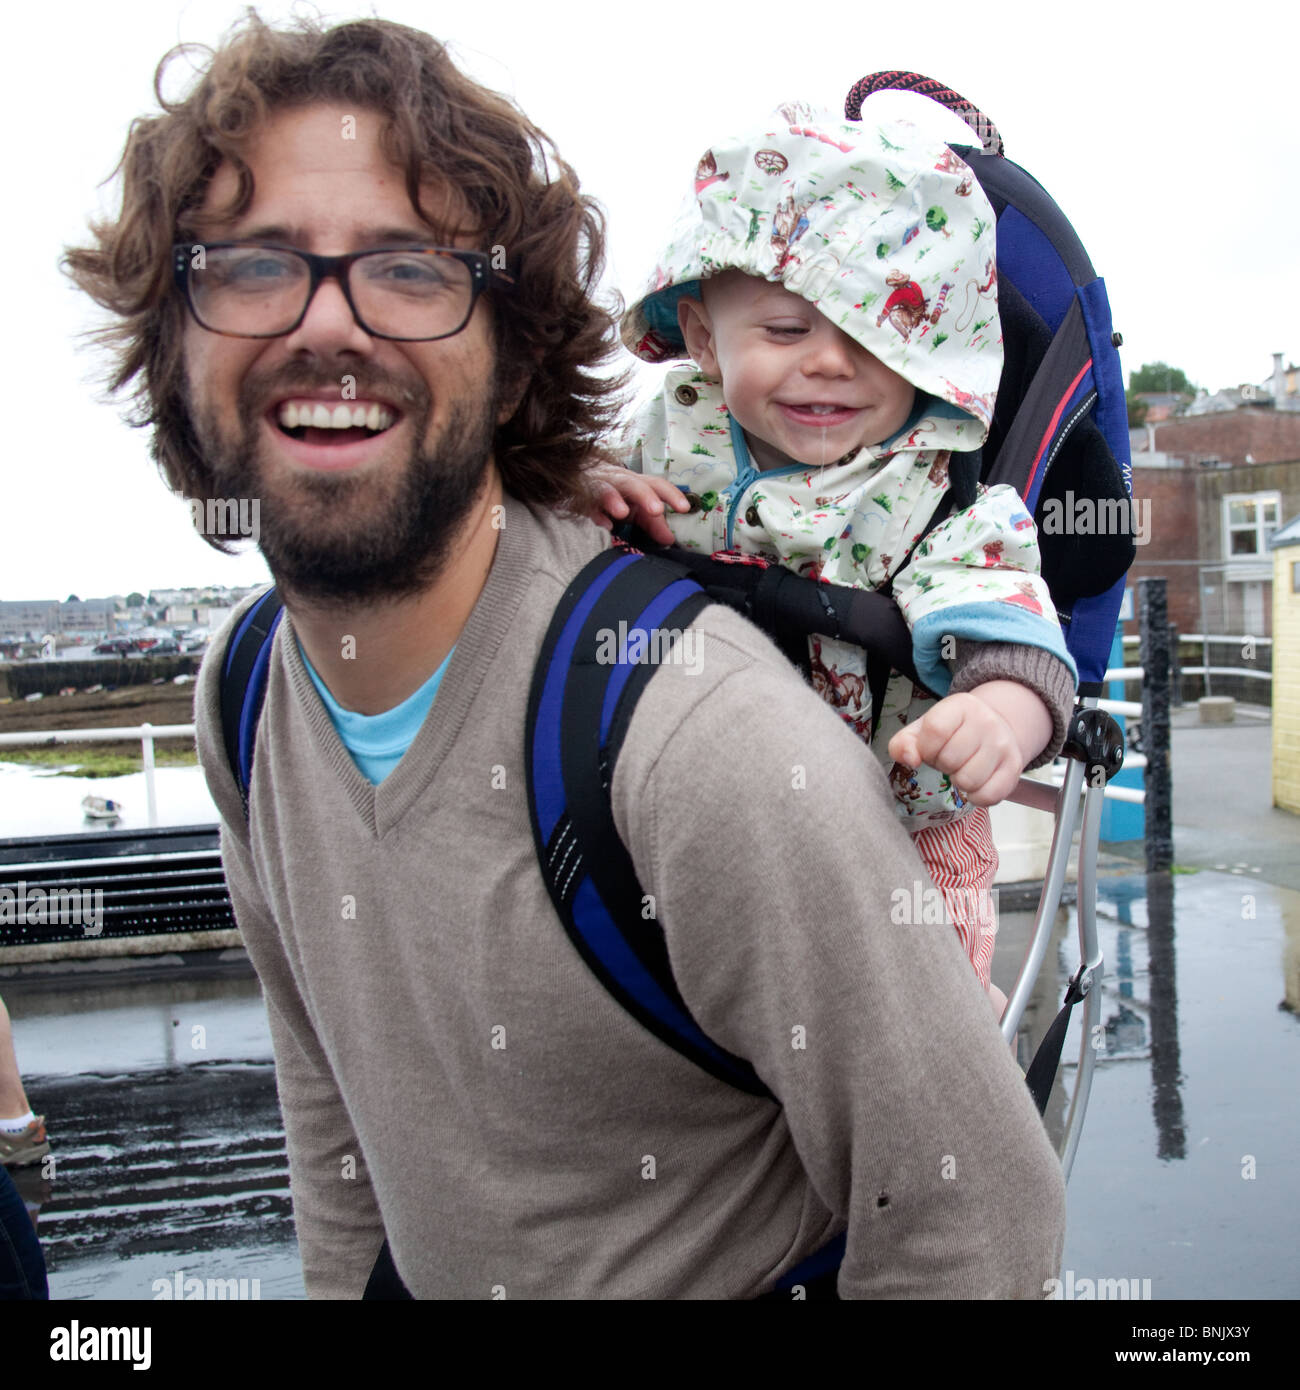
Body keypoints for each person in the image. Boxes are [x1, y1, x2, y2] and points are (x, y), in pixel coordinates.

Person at [64, 13, 1066, 1298]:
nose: (329, 327)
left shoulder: (706, 746)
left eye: (410, 271)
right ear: (170, 334)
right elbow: (333, 1106)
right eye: (253, 265)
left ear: (513, 353)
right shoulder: (243, 685)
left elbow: (969, 1212)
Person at [585, 108, 1077, 1008]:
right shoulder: (666, 439)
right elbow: (564, 536)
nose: (829, 365)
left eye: (876, 338)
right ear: (702, 338)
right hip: (713, 817)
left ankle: (960, 1047)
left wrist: (1001, 722)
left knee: (919, 1029)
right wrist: (589, 492)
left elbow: (1018, 640)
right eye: (784, 332)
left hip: (899, 833)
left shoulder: (935, 497)